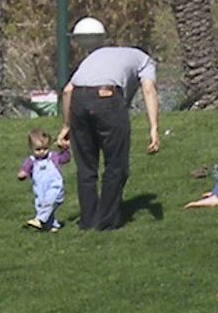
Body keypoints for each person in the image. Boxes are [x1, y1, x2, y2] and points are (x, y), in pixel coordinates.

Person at [61, 28, 161, 232]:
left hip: (79, 99)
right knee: (116, 165)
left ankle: (87, 221)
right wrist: (153, 128)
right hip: (108, 99)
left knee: (86, 167)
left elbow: (67, 90)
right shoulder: (145, 61)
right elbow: (149, 89)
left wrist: (66, 126)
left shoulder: (97, 54)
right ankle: (106, 222)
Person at [20, 128, 66, 230]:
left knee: (49, 202)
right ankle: (50, 226)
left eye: (45, 148)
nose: (42, 152)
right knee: (42, 206)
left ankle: (39, 220)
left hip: (54, 187)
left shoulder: (53, 157)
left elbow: (65, 158)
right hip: (40, 189)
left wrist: (64, 149)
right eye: (38, 149)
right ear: (31, 148)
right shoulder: (31, 161)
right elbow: (25, 169)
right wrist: (23, 174)